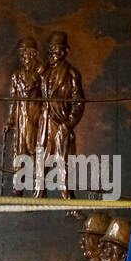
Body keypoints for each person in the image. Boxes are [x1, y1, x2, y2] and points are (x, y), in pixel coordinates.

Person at [37, 31, 85, 200]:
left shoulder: (71, 73)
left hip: (61, 123)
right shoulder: (44, 73)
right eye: (51, 49)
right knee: (40, 159)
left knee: (63, 162)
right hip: (45, 123)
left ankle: (67, 199)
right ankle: (38, 196)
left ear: (64, 51)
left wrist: (69, 122)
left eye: (57, 49)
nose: (53, 52)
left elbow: (78, 101)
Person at [3, 36, 44, 197]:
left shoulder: (41, 73)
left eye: (26, 53)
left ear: (33, 54)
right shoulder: (17, 75)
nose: (24, 57)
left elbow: (37, 92)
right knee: (19, 152)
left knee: (34, 151)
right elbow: (14, 100)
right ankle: (18, 187)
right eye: (22, 54)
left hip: (35, 117)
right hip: (21, 118)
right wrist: (11, 120)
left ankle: (38, 187)